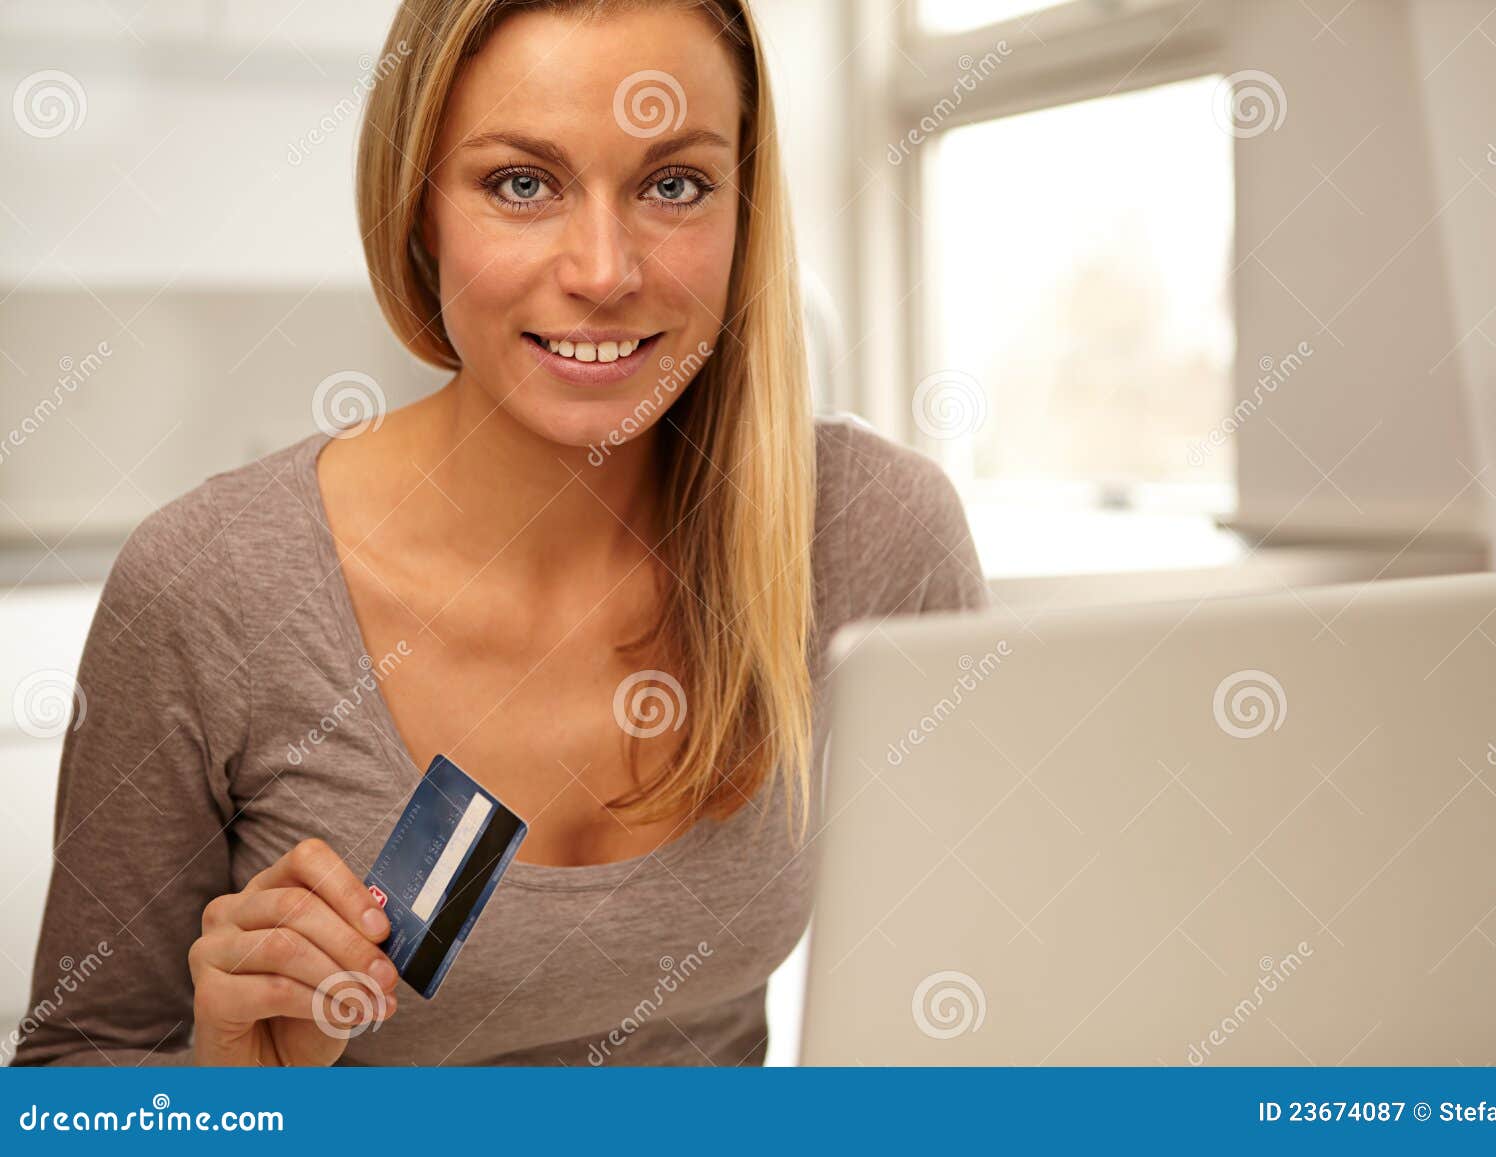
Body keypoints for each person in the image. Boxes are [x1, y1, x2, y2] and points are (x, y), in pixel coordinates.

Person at [11, 0, 987, 1066]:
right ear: (417, 209)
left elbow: (977, 983)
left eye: (674, 184)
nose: (604, 271)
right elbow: (75, 1082)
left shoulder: (874, 531)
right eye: (522, 184)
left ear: (747, 211)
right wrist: (232, 1084)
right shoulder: (208, 585)